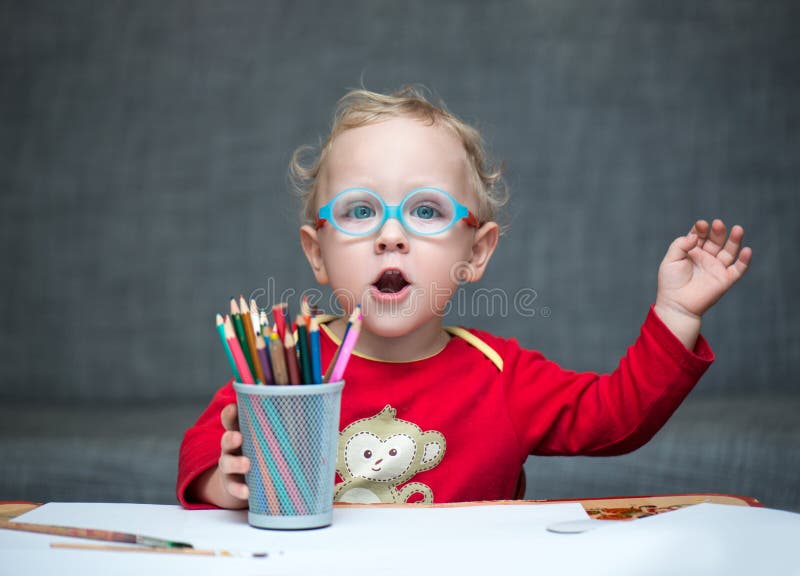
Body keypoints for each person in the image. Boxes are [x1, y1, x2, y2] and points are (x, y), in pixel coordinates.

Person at [177, 86, 751, 509]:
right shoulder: (285, 365)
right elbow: (207, 441)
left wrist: (675, 315)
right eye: (360, 211)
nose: (391, 234)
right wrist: (217, 479)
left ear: (476, 253)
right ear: (318, 253)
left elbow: (617, 416)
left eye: (425, 211)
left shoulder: (503, 376)